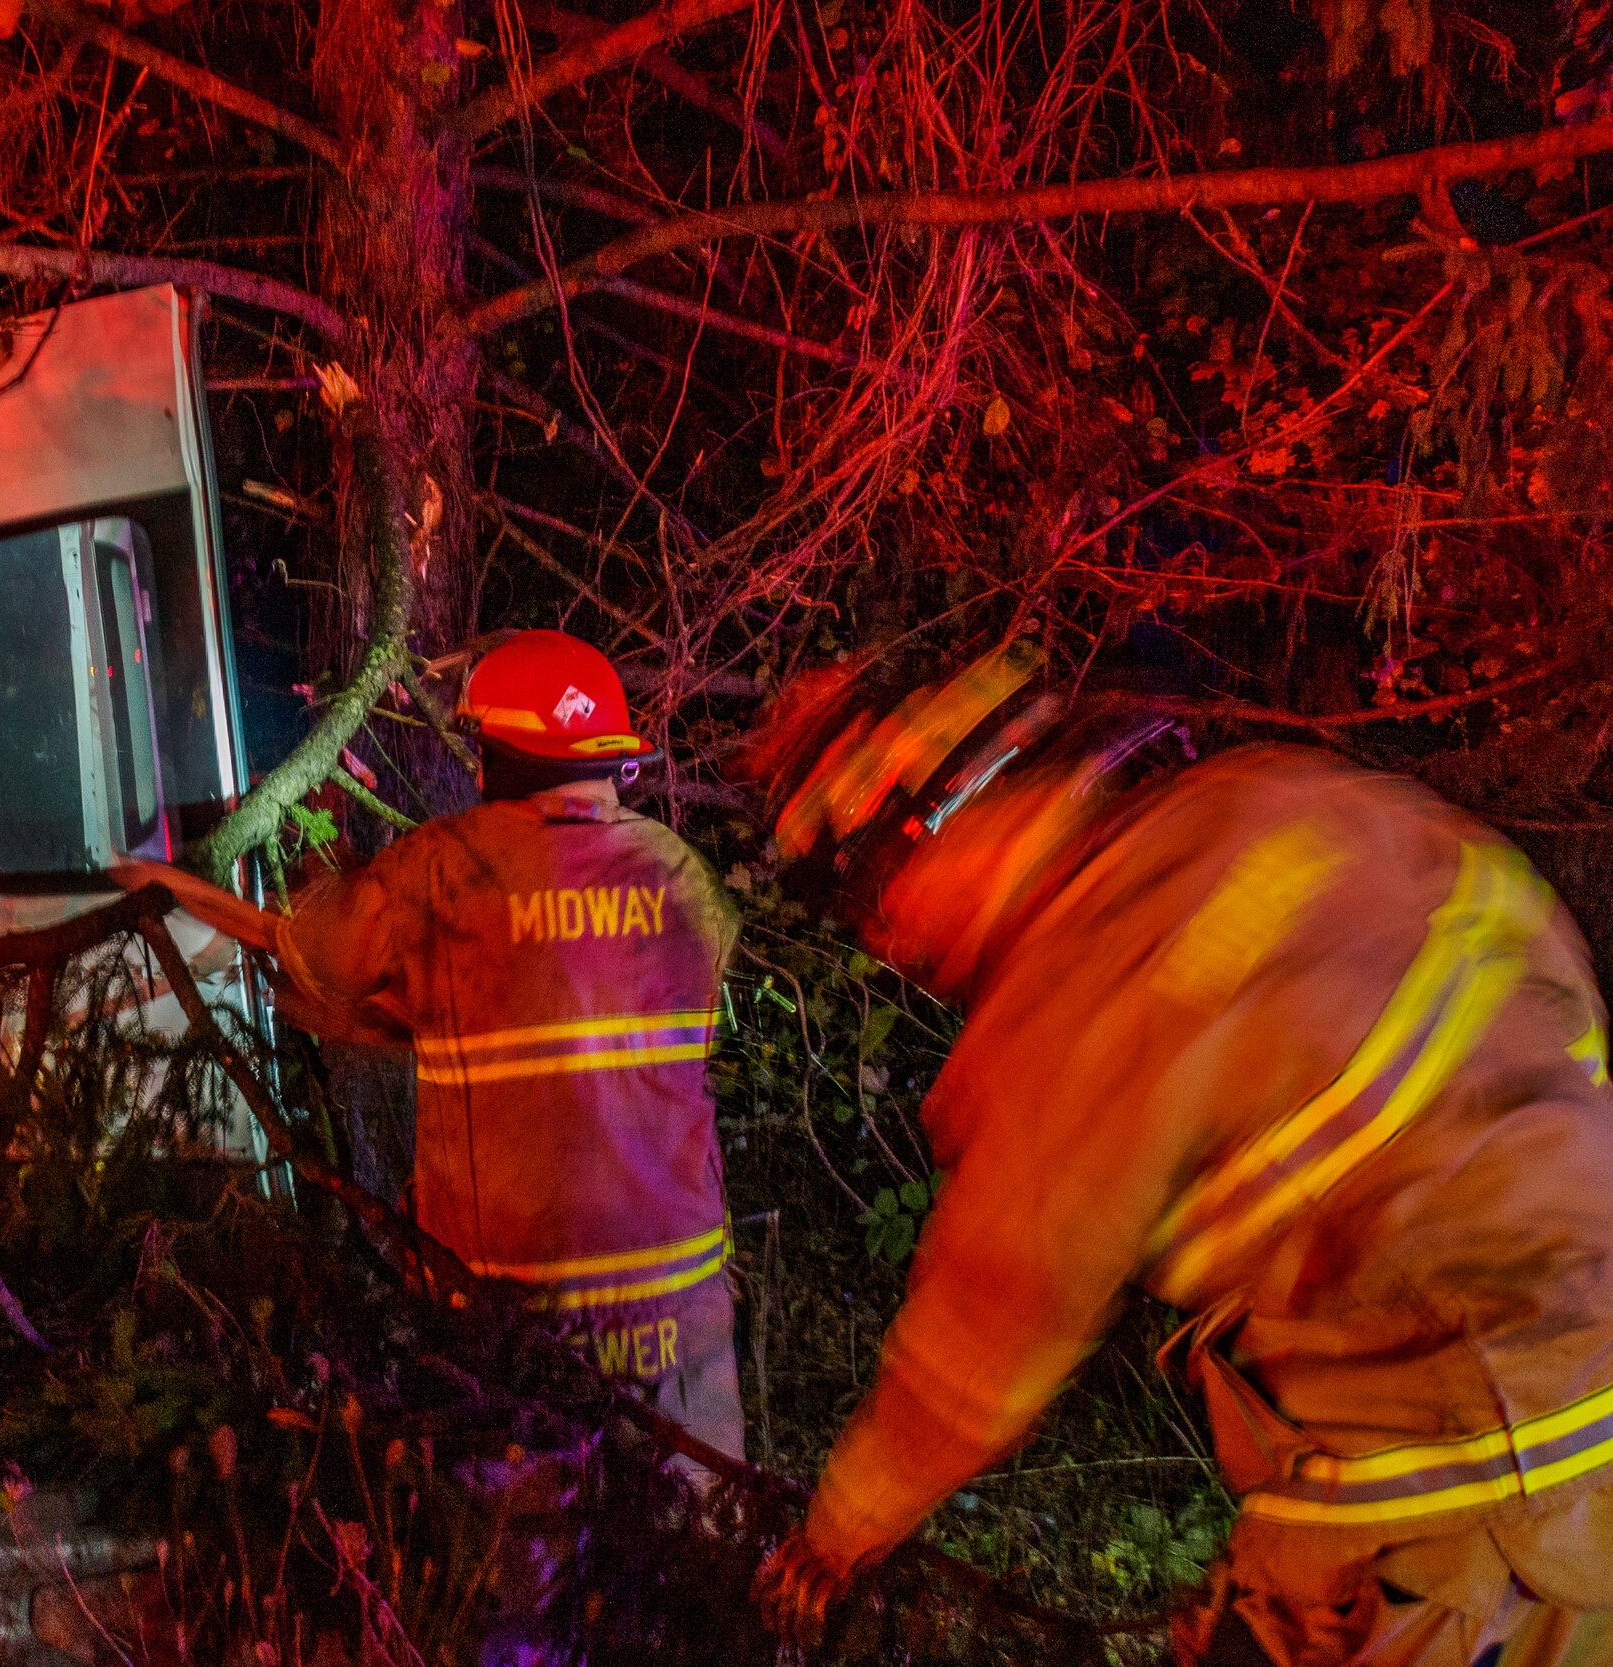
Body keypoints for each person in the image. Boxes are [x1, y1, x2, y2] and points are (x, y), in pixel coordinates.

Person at [740, 642, 1613, 1666]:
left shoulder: (1089, 978)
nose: (893, 941)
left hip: (1458, 1505)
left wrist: (836, 1534)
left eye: (873, 901)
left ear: (934, 830)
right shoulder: (1274, 802)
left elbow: (986, 1333)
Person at [120, 629, 746, 1462]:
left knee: (531, 1555)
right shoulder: (685, 880)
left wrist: (183, 885)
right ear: (607, 759)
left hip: (521, 1318)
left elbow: (316, 953)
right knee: (696, 1542)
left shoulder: (447, 873)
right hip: (681, 1308)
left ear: (497, 753)